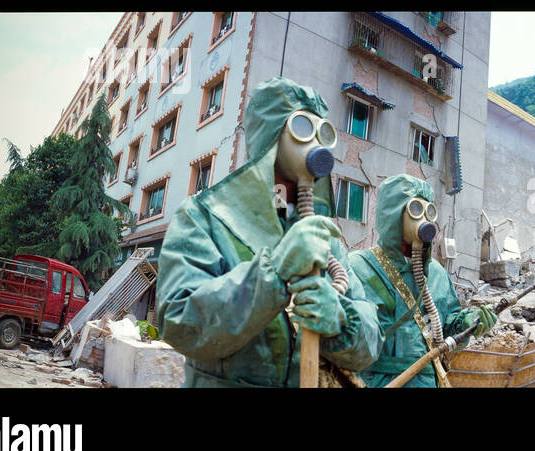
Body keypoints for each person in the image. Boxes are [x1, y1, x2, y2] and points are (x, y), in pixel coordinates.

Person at [157, 78, 382, 387]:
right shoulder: (204, 218)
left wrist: (341, 320)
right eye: (302, 129)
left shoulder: (323, 235)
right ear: (271, 135)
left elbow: (371, 342)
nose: (315, 144)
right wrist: (272, 274)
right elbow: (179, 323)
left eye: (323, 133)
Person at [346, 175, 496, 388]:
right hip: (376, 381)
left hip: (427, 380)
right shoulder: (358, 266)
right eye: (415, 210)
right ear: (392, 214)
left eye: (430, 212)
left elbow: (444, 327)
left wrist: (467, 322)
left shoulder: (435, 273)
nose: (424, 219)